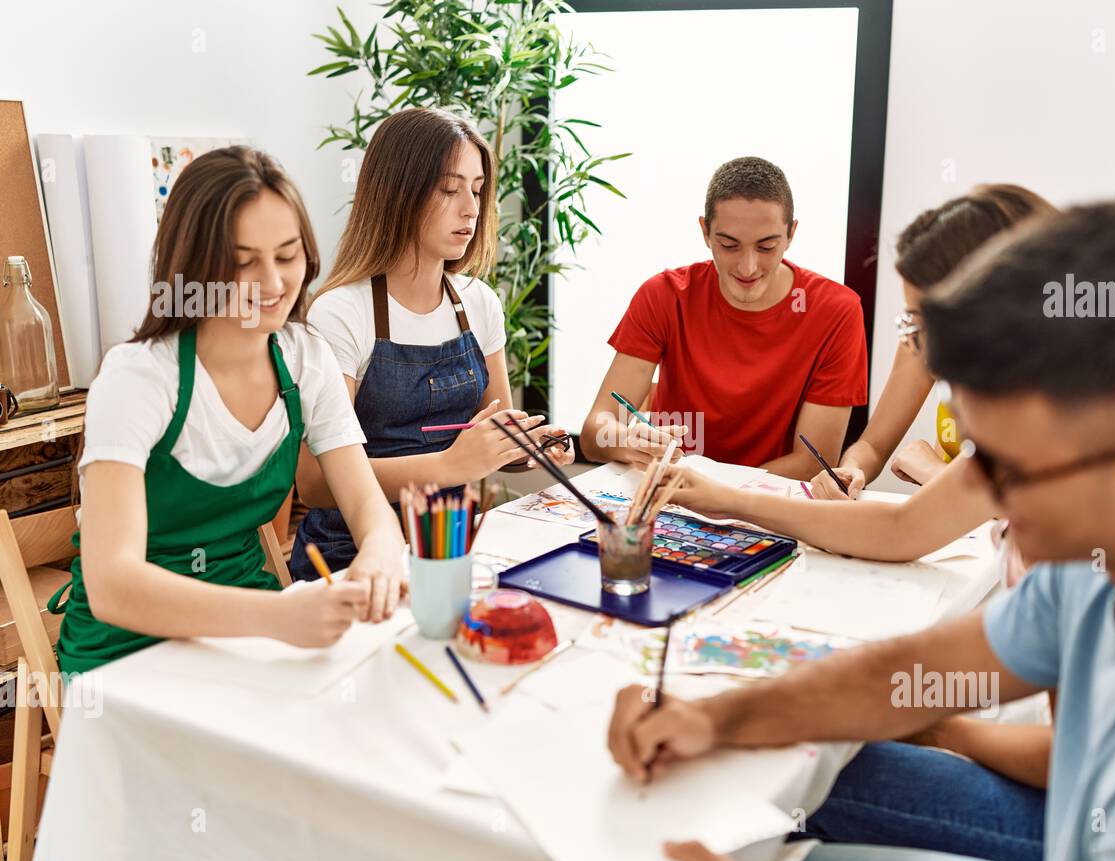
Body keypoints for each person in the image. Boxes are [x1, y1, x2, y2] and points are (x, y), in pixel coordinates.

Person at [608, 201, 1115, 861]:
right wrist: (717, 719)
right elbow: (911, 678)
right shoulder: (1100, 559)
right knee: (789, 769)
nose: (986, 492)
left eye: (1013, 467)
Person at [53, 147, 405, 674]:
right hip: (126, 652)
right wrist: (277, 618)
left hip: (249, 632)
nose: (272, 283)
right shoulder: (139, 378)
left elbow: (370, 511)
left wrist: (378, 559)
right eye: (243, 263)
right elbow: (112, 587)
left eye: (287, 256)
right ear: (193, 267)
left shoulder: (305, 358)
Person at [664, 186, 1057, 563]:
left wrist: (728, 499)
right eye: (910, 323)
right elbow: (901, 527)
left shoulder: (1057, 421)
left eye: (926, 324)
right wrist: (731, 500)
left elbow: (905, 529)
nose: (920, 348)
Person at [291, 108, 573, 579]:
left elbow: (498, 429)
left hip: (453, 543)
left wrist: (528, 449)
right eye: (449, 189)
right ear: (398, 193)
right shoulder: (340, 313)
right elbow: (316, 484)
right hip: (351, 559)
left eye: (478, 189)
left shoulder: (479, 302)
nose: (471, 207)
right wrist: (448, 466)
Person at [579, 156, 868, 477]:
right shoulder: (664, 295)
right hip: (667, 497)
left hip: (768, 507)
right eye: (729, 245)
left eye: (766, 246)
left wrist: (716, 493)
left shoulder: (836, 311)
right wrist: (624, 438)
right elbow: (595, 433)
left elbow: (814, 462)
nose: (747, 267)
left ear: (791, 234)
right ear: (705, 231)